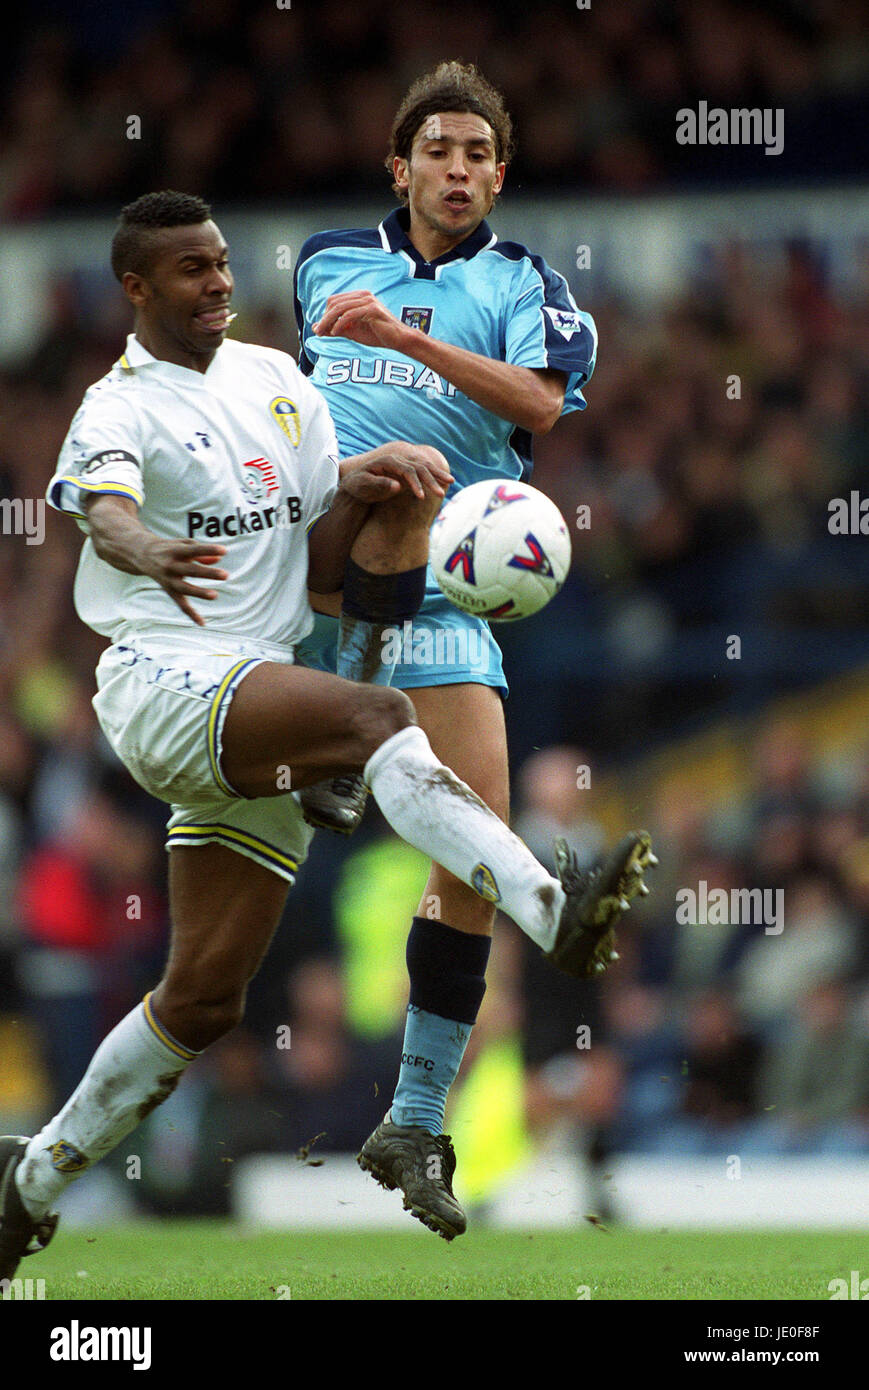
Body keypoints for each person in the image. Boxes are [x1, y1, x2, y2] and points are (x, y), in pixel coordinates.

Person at [0, 190, 655, 1278]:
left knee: (202, 1000)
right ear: (135, 288)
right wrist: (142, 544)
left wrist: (372, 479)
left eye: (220, 265)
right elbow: (98, 506)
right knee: (377, 718)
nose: (217, 284)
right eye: (190, 272)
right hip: (168, 685)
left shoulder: (270, 381)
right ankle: (550, 903)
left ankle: (30, 1179)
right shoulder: (117, 406)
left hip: (260, 691)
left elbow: (314, 544)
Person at [293, 62, 647, 1234]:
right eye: (435, 150)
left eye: (476, 155)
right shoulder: (323, 262)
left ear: (499, 173)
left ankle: (410, 1119)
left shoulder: (528, 287)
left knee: (475, 862)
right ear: (400, 164)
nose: (455, 169)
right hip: (316, 572)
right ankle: (340, 721)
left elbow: (539, 409)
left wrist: (405, 338)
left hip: (447, 598)